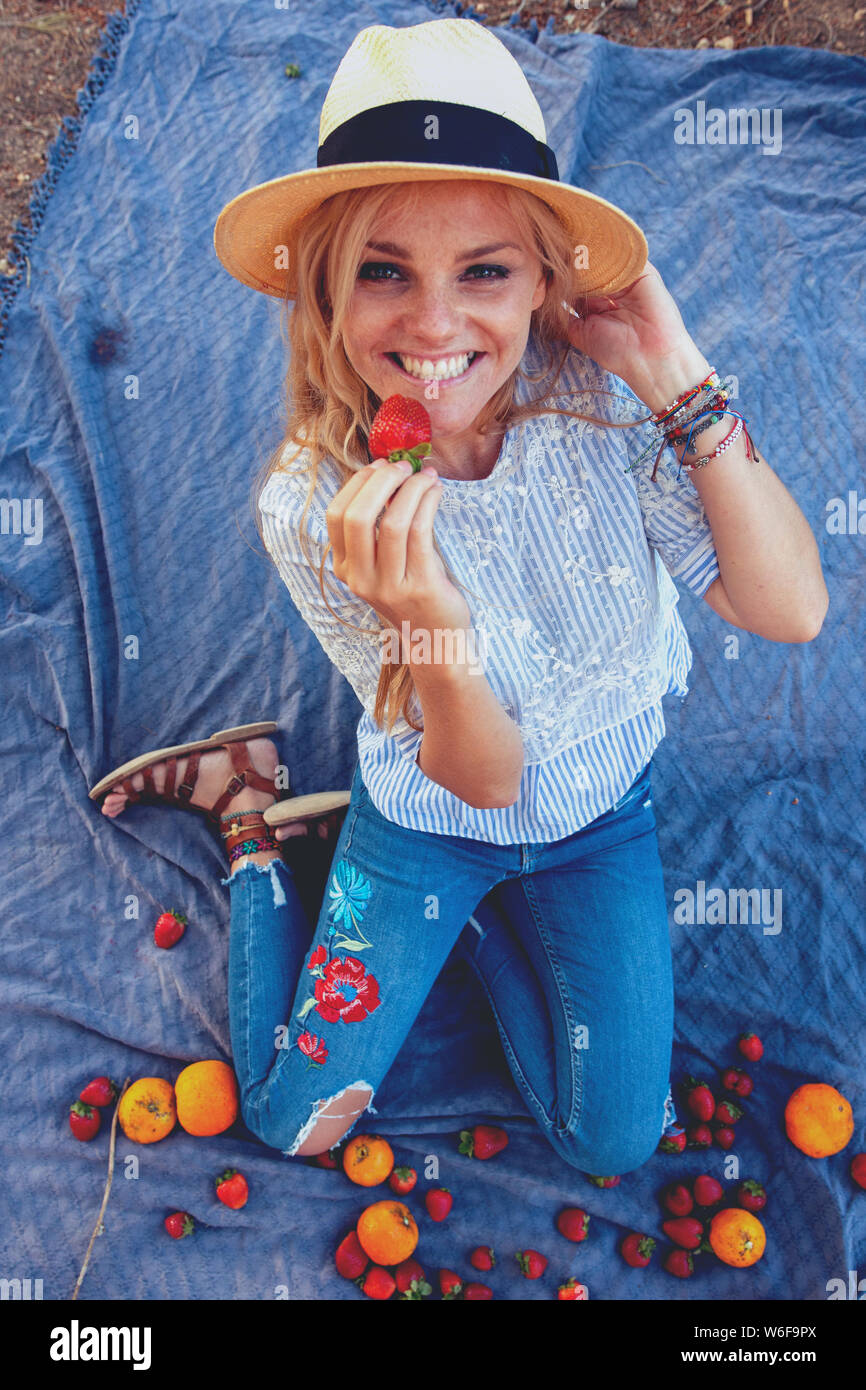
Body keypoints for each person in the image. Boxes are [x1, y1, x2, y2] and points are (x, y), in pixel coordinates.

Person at [89, 18, 828, 1168]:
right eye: (382, 271)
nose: (434, 324)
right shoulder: (310, 501)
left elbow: (789, 609)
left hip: (598, 821)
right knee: (291, 1119)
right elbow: (478, 780)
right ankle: (248, 812)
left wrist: (674, 377)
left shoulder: (598, 407)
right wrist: (427, 617)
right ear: (324, 296)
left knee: (614, 1144)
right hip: (436, 816)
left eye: (482, 270)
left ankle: (484, 931)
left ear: (542, 282)